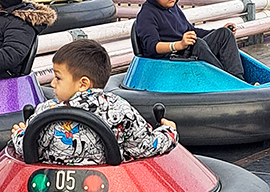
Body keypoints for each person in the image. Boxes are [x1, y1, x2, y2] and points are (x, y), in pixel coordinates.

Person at [11, 39, 178, 165]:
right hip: (107, 187)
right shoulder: (120, 109)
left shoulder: (46, 111)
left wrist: (19, 133)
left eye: (58, 78)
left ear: (83, 84)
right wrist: (168, 132)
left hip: (51, 187)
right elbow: (145, 146)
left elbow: (27, 148)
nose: (52, 83)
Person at [134, 0, 245, 80]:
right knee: (197, 44)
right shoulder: (146, 15)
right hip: (169, 61)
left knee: (224, 34)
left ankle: (238, 79)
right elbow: (152, 47)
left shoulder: (173, 8)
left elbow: (191, 31)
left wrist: (217, 31)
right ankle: (225, 80)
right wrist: (178, 45)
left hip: (185, 52)